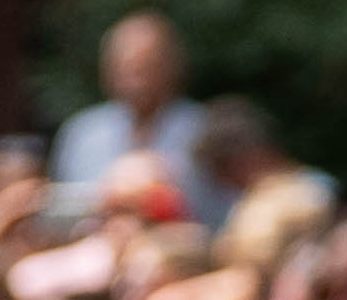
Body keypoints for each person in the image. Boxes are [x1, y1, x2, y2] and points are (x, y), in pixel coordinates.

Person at [50, 11, 225, 224]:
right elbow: (57, 215)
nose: (134, 81)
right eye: (124, 69)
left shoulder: (204, 130)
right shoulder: (82, 133)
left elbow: (226, 213)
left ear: (173, 67)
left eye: (144, 68)